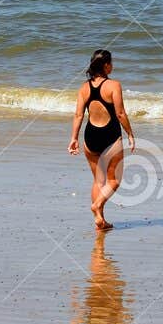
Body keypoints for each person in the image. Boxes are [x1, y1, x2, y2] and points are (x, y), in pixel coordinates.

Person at [68, 49, 135, 231]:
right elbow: (120, 114)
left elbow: (78, 114)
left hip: (90, 137)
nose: (112, 66)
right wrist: (130, 133)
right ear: (105, 65)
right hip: (110, 136)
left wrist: (74, 138)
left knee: (99, 180)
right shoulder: (114, 85)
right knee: (114, 180)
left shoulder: (84, 87)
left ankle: (100, 220)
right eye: (111, 63)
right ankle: (97, 206)